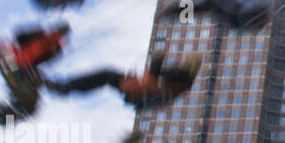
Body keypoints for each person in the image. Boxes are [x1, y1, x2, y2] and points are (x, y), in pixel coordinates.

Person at [42, 53, 201, 110]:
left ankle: (66, 87)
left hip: (141, 89)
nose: (183, 60)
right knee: (106, 76)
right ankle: (66, 87)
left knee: (105, 76)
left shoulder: (182, 77)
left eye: (187, 60)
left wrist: (156, 62)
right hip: (140, 90)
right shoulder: (183, 81)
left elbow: (157, 76)